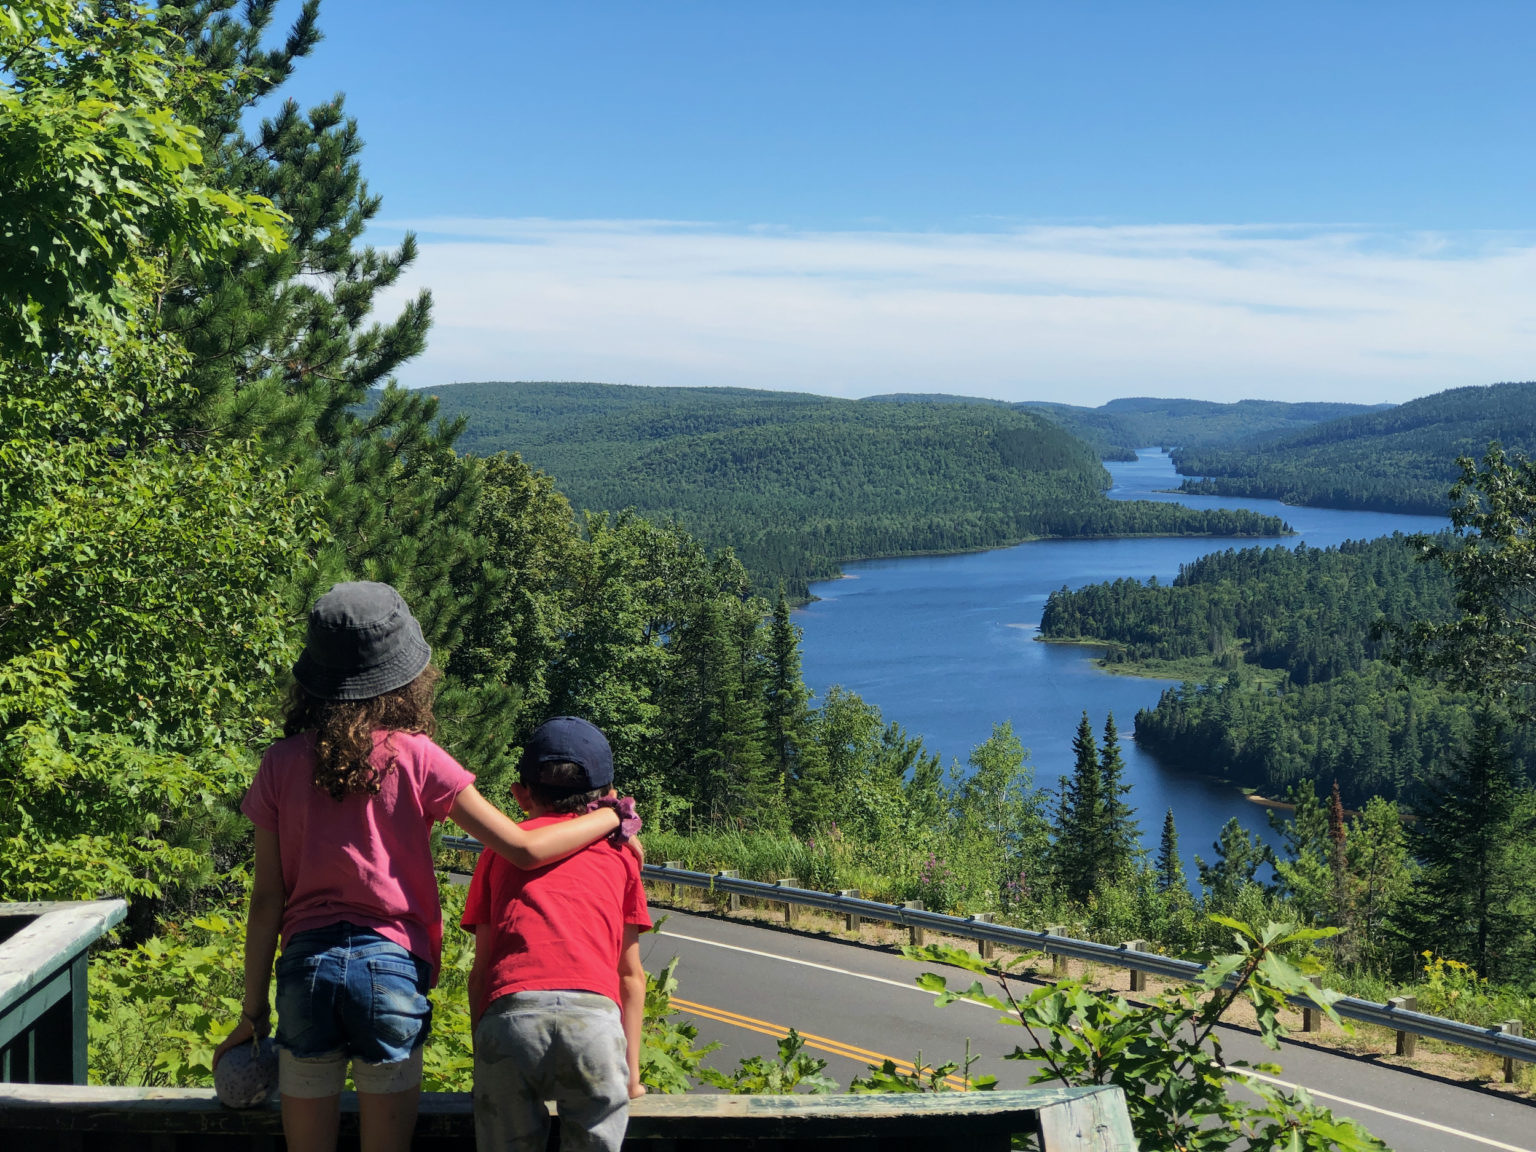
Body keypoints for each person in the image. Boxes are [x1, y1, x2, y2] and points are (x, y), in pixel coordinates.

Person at [213, 582, 633, 1152]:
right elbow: (524, 848)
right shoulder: (415, 756)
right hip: (390, 974)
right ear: (406, 676)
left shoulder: (280, 764)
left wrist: (253, 1011)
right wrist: (610, 818)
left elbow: (267, 902)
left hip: (305, 975)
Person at [463, 715, 650, 1152]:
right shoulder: (620, 856)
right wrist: (632, 1076)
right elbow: (630, 977)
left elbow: (483, 969)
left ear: (520, 794)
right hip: (594, 1026)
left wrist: (485, 1057)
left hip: (512, 1017)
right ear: (608, 797)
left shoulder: (499, 851)